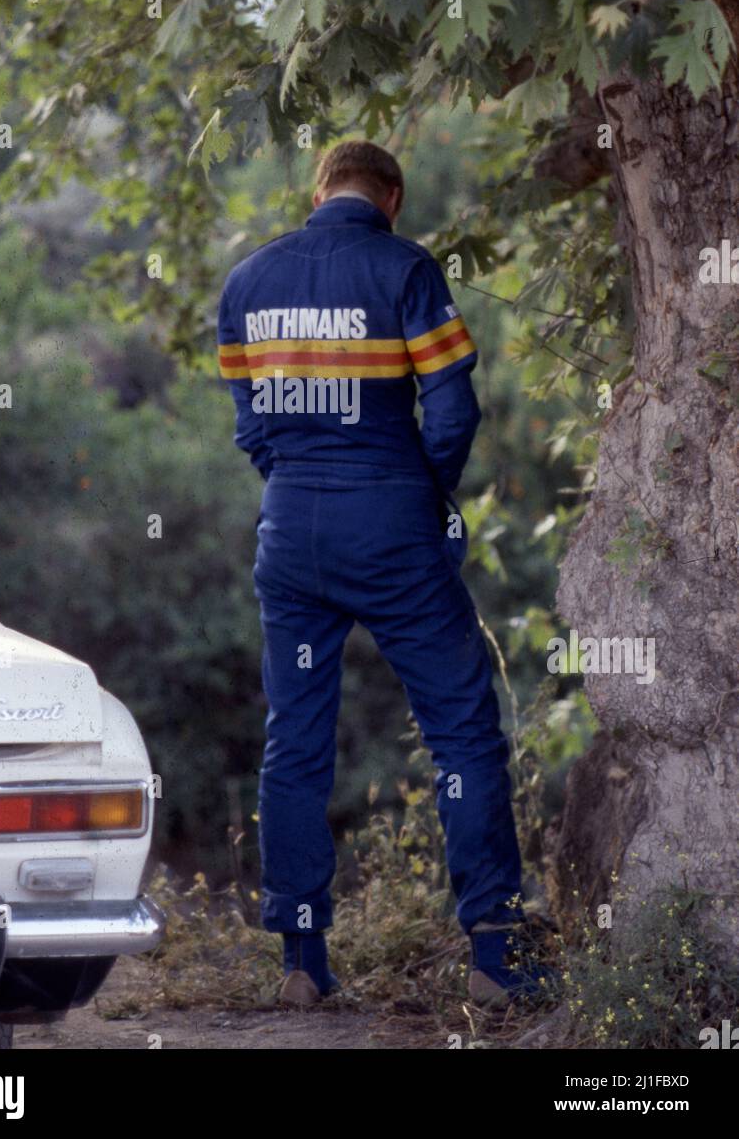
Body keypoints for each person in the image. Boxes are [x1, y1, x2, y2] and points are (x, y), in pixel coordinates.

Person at [218, 140, 543, 1007]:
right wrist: (422, 491)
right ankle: (496, 958)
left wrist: (296, 478)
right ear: (390, 197)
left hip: (290, 533)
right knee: (463, 732)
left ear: (318, 191)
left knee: (295, 739)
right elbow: (452, 405)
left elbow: (251, 426)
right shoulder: (405, 269)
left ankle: (300, 962)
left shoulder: (246, 283)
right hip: (392, 524)